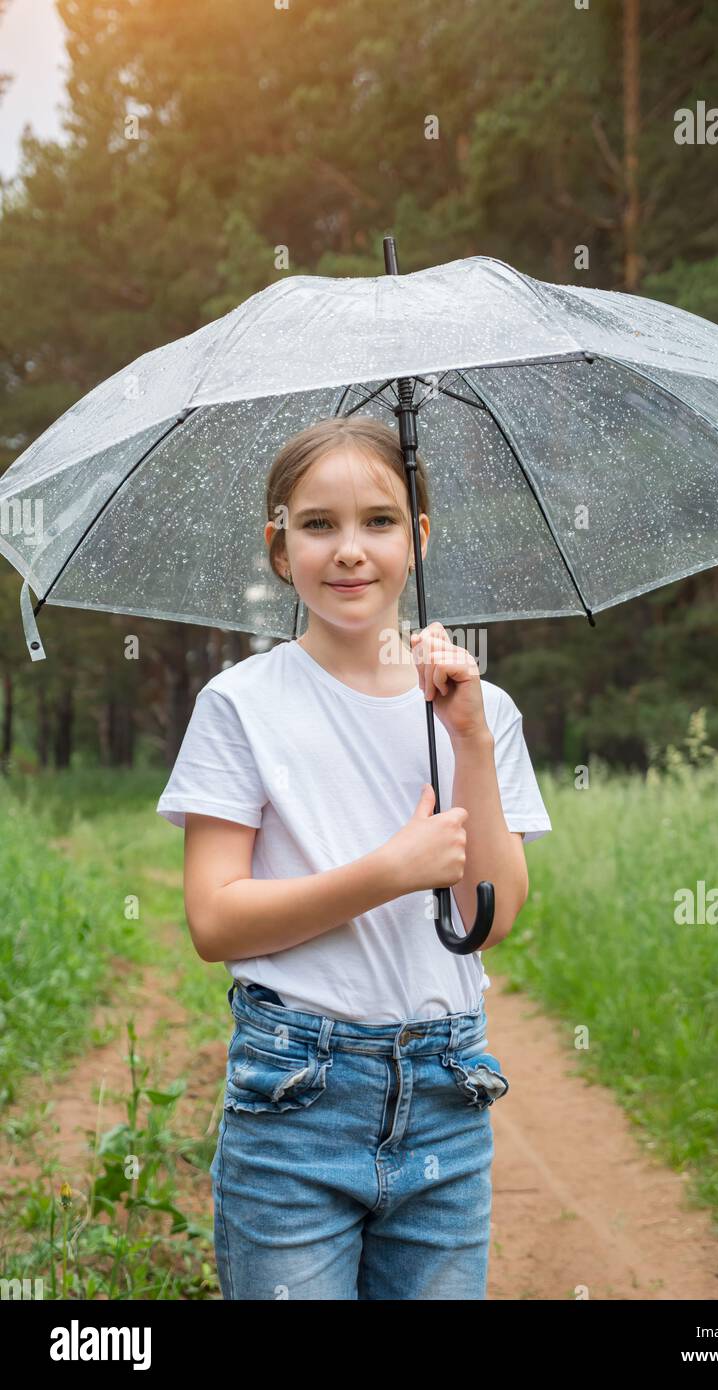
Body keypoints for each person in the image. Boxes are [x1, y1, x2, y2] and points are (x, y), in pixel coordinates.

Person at [156, 414, 552, 1299]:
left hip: (448, 1093)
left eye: (378, 521)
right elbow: (214, 919)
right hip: (297, 1096)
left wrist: (472, 743)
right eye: (318, 524)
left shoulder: (479, 710)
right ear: (278, 543)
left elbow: (495, 918)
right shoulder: (241, 704)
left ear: (418, 537)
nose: (349, 551)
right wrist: (386, 872)